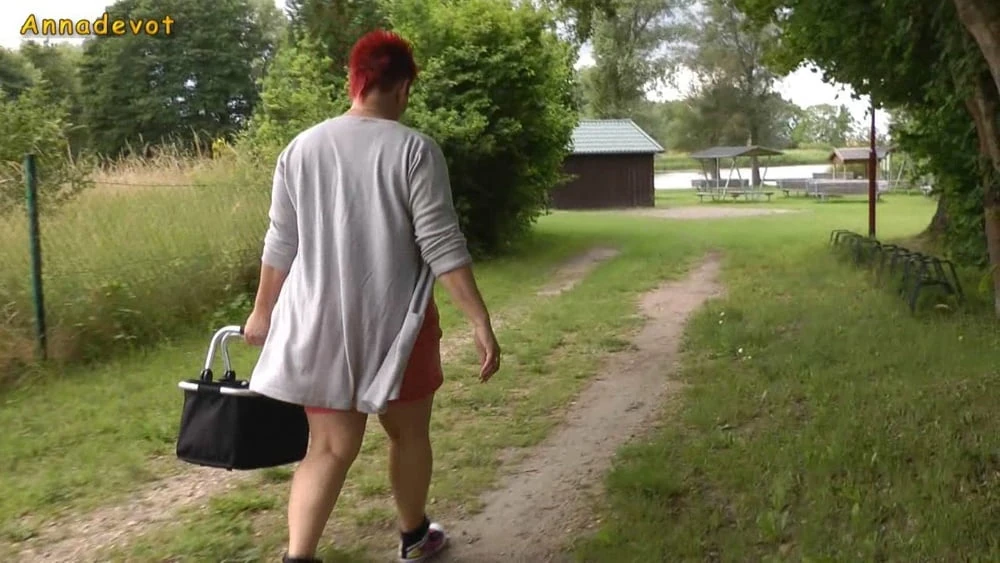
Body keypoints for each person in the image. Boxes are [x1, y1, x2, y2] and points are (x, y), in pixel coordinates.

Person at [241, 29, 501, 563]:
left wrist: (262, 311)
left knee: (330, 448)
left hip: (317, 327)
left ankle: (298, 557)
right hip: (396, 330)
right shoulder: (414, 150)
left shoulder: (300, 149)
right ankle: (413, 537)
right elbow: (440, 243)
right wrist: (479, 319)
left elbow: (280, 242)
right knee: (408, 435)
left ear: (354, 82)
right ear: (404, 88)